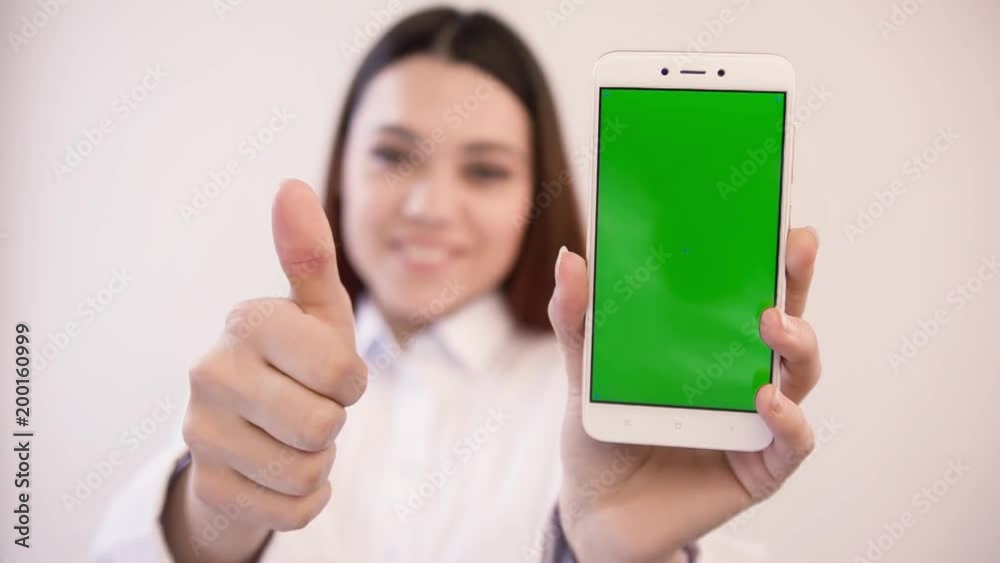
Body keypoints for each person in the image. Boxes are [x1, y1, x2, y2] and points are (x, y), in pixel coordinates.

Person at [91, 7, 822, 563]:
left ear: (538, 195)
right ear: (342, 168)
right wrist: (206, 516)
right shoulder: (256, 384)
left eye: (484, 170)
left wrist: (596, 552)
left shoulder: (613, 415)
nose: (431, 207)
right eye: (394, 155)